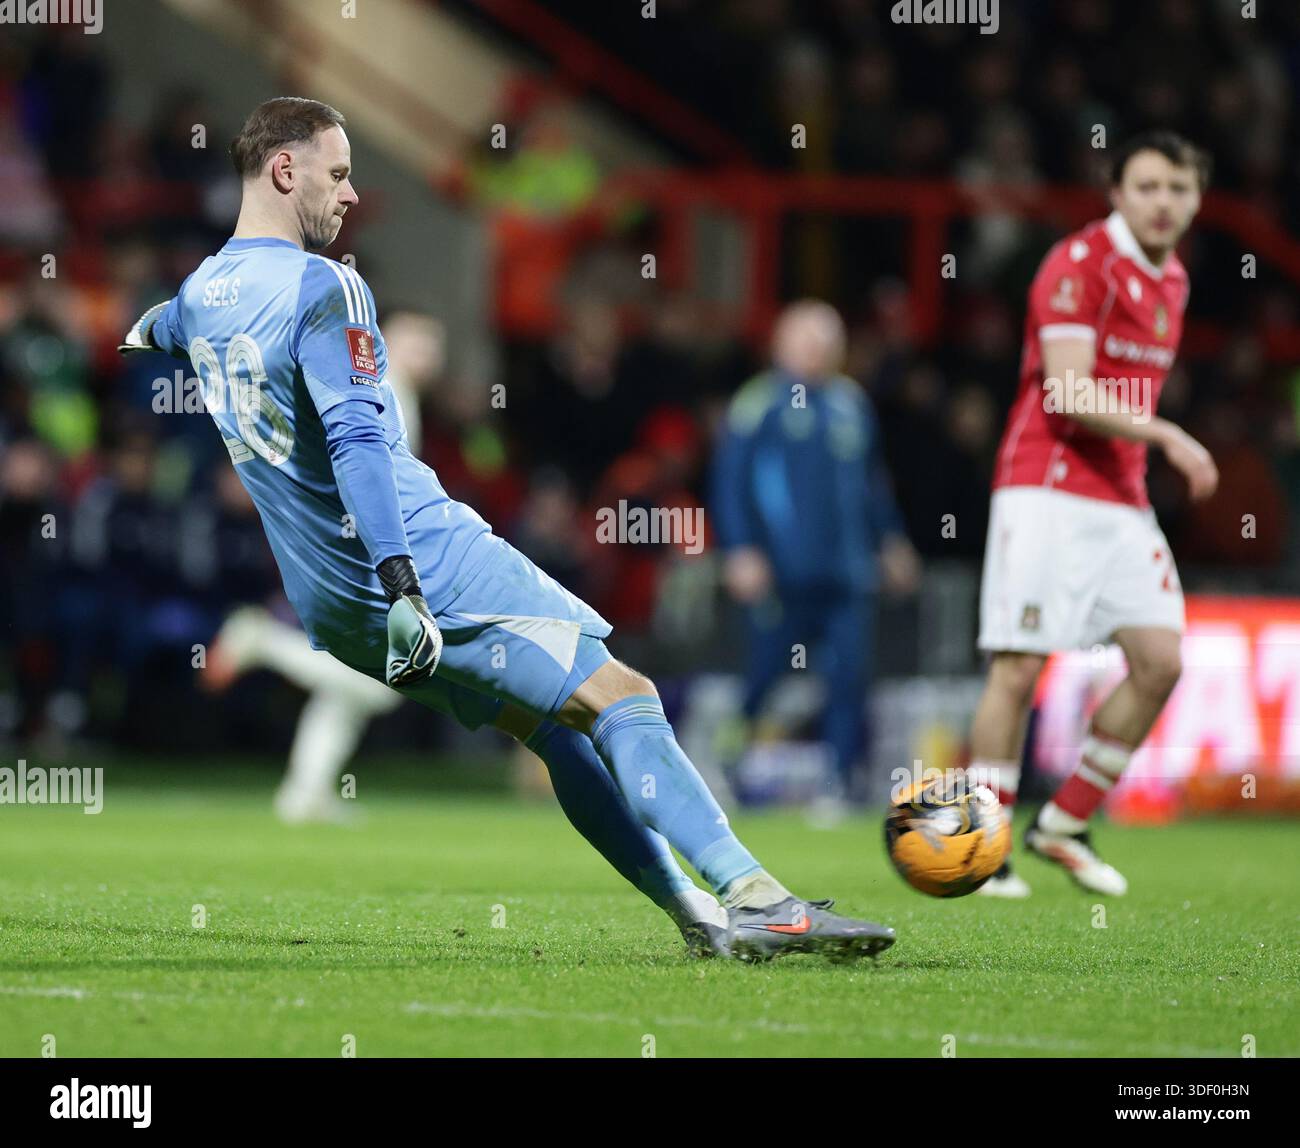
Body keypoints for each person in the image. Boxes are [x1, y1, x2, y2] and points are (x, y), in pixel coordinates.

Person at [119, 97, 894, 962]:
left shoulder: (197, 295)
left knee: (554, 728)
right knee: (624, 694)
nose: (352, 195)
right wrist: (404, 578)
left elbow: (161, 329)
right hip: (417, 559)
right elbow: (359, 442)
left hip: (328, 602)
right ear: (283, 170)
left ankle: (699, 918)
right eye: (337, 174)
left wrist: (147, 331)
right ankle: (758, 899)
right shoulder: (324, 284)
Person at [970, 132, 1218, 898]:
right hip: (1045, 484)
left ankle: (1065, 823)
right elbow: (1068, 394)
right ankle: (981, 849)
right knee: (1018, 667)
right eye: (1147, 186)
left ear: (1198, 199)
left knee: (1161, 660)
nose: (1163, 202)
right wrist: (1169, 433)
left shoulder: (1172, 278)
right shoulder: (1078, 266)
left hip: (1119, 497)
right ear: (1116, 192)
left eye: (1178, 188)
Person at [712, 301, 919, 822]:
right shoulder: (757, 404)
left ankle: (838, 783)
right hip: (781, 574)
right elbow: (730, 485)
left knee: (849, 676)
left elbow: (871, 485)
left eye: (827, 339)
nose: (816, 348)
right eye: (806, 338)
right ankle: (725, 767)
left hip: (847, 574)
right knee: (763, 676)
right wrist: (740, 549)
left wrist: (891, 539)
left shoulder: (851, 404)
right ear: (781, 344)